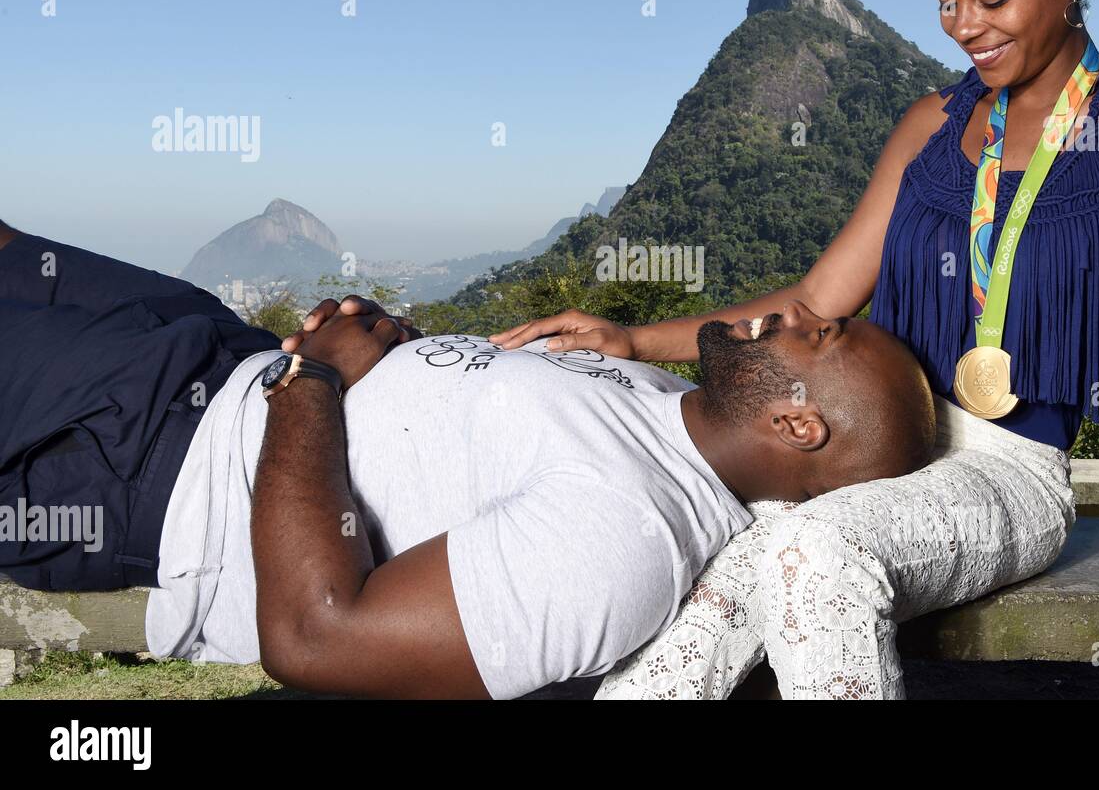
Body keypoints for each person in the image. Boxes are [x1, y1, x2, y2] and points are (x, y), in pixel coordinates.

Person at [486, 0, 1099, 700]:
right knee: (707, 598)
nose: (964, 26)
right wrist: (629, 338)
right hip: (859, 451)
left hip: (1007, 469)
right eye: (946, 2)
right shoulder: (929, 122)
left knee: (813, 551)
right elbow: (816, 301)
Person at [0, 222, 936, 698]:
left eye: (826, 335)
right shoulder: (655, 397)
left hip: (151, 458)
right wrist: (389, 341)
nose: (806, 308)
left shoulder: (623, 541)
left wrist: (317, 384)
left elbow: (315, 636)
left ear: (798, 425)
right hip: (213, 347)